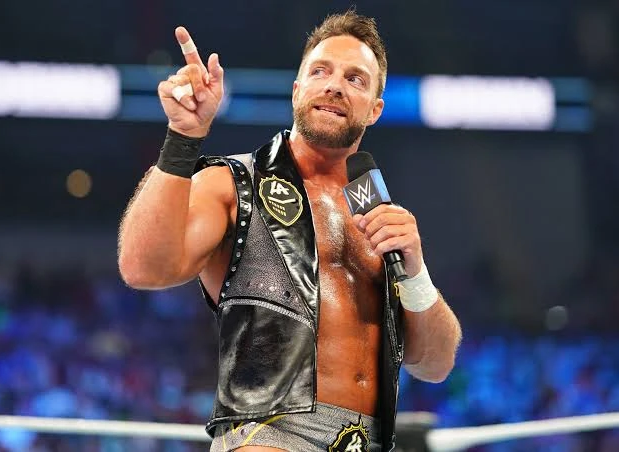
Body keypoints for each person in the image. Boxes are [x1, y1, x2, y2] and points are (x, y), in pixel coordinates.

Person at [118, 11, 461, 452]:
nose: (334, 85)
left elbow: (435, 364)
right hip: (269, 433)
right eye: (320, 71)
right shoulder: (234, 183)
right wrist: (183, 137)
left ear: (375, 109)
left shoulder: (379, 215)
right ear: (297, 89)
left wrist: (415, 271)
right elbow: (142, 268)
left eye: (355, 79)